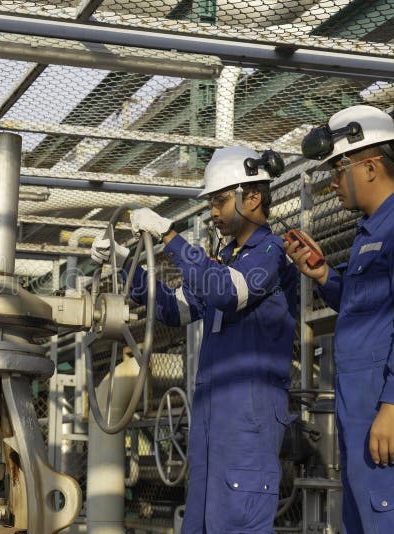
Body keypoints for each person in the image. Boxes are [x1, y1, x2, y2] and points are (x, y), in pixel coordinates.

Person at [91, 146, 297, 533]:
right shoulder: (229, 262)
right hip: (213, 421)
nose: (213, 212)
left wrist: (169, 236)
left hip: (246, 422)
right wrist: (123, 264)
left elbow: (228, 293)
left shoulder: (270, 252)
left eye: (220, 201)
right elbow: (174, 309)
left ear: (252, 197)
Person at [285, 105, 394, 534]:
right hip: (367, 407)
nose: (331, 183)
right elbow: (369, 313)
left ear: (368, 167)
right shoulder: (373, 232)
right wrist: (323, 273)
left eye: (335, 170)